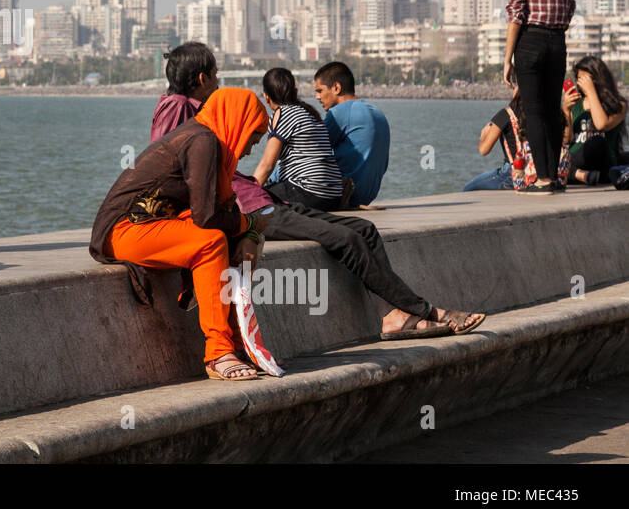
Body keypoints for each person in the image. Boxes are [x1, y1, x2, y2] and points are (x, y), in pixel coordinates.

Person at [152, 43, 485, 343]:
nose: (219, 83)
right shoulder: (178, 107)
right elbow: (175, 169)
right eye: (216, 76)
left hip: (262, 198)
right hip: (248, 208)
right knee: (346, 239)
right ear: (202, 77)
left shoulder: (199, 108)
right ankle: (425, 310)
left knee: (363, 229)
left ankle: (396, 314)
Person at [93, 86, 273, 381]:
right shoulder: (202, 141)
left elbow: (219, 210)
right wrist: (250, 226)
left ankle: (236, 340)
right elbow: (208, 217)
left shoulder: (208, 138)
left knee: (223, 238)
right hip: (123, 231)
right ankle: (217, 352)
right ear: (236, 122)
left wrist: (249, 235)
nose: (251, 148)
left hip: (150, 225)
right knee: (212, 241)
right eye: (253, 137)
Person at [502, 0, 577, 194]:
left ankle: (543, 179)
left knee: (533, 112)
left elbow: (515, 17)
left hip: (530, 42)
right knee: (552, 110)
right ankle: (554, 177)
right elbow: (569, 10)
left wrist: (507, 58)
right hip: (557, 43)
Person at [253, 67, 347, 211]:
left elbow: (267, 165)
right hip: (333, 195)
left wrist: (249, 192)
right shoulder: (309, 112)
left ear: (266, 97)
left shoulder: (282, 114)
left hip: (309, 191)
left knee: (256, 199)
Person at [314, 61, 390, 208]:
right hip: (366, 197)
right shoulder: (377, 112)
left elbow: (307, 152)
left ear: (336, 88)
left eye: (319, 91)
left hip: (341, 196)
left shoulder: (339, 113)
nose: (317, 97)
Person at [563, 55, 627, 186]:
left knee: (597, 141)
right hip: (578, 159)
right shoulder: (576, 104)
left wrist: (591, 92)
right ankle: (581, 175)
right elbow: (566, 140)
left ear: (598, 78)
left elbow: (601, 124)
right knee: (553, 151)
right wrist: (566, 110)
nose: (582, 83)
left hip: (603, 162)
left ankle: (570, 173)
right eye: (580, 79)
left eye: (586, 79)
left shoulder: (619, 104)